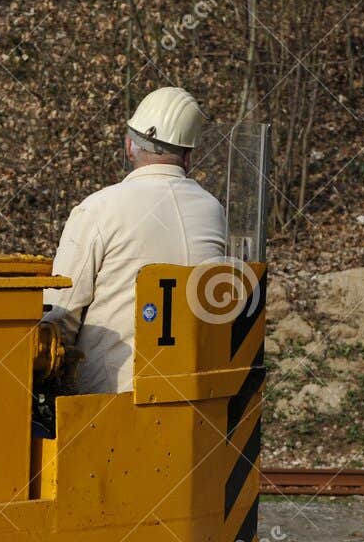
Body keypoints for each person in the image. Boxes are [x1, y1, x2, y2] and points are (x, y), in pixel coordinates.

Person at [41, 87, 227, 394]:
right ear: (188, 155)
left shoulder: (98, 209)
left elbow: (60, 317)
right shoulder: (213, 211)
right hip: (194, 397)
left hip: (111, 404)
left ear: (130, 146)